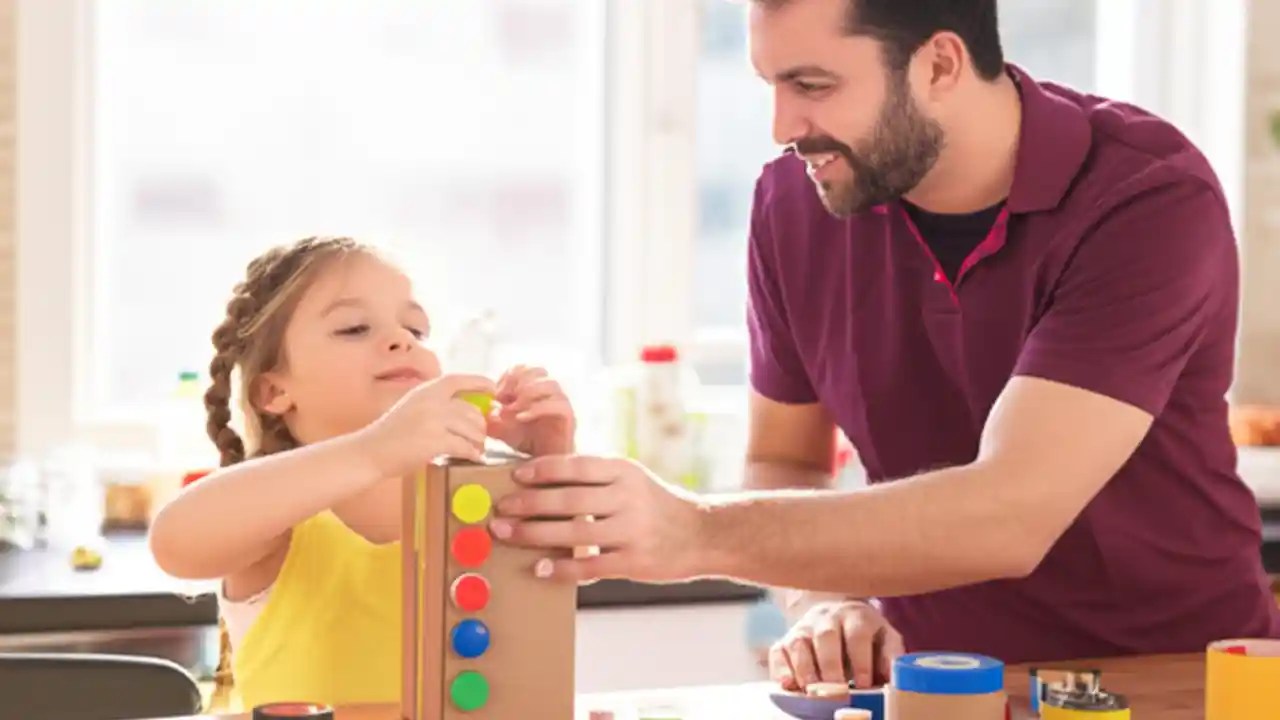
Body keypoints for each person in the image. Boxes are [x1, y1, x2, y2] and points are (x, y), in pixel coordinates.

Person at [489, 0, 1280, 695]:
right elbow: (787, 460)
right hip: (930, 688)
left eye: (814, 85)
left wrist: (692, 529)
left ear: (938, 63)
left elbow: (1011, 513)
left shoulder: (1146, 198)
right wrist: (823, 601)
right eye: (771, 84)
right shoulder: (792, 205)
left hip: (1172, 679)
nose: (782, 127)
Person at [147, 237, 577, 708]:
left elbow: (544, 612)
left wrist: (544, 469)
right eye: (353, 328)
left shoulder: (466, 498)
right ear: (273, 392)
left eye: (416, 329)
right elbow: (174, 542)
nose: (402, 339)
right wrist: (374, 451)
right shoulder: (283, 513)